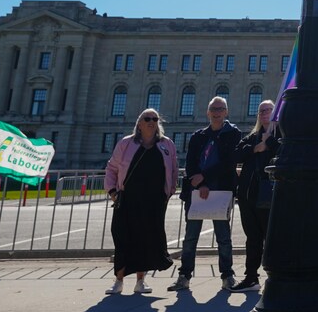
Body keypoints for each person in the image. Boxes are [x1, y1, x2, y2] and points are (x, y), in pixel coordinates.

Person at [168, 96, 242, 292]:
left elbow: (229, 163)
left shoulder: (233, 134)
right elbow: (190, 162)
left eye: (221, 109)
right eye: (214, 109)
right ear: (208, 112)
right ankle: (184, 276)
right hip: (196, 192)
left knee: (223, 237)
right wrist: (199, 182)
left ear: (226, 112)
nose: (217, 112)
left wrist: (204, 179)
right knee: (190, 237)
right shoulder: (198, 136)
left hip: (220, 192)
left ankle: (227, 276)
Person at [104, 108, 178, 294]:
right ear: (139, 123)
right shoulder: (126, 143)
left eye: (155, 119)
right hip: (128, 199)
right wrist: (112, 192)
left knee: (145, 240)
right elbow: (112, 168)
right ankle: (118, 281)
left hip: (153, 201)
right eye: (147, 119)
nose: (151, 122)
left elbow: (174, 169)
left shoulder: (166, 144)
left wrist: (169, 192)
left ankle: (140, 281)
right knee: (122, 239)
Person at [230, 99, 280, 292]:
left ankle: (276, 278)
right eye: (261, 111)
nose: (264, 113)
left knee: (271, 238)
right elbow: (235, 155)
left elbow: (286, 154)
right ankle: (251, 277)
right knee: (252, 238)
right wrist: (255, 148)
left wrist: (270, 142)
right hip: (248, 195)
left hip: (270, 195)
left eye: (268, 110)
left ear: (275, 113)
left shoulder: (282, 135)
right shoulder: (252, 137)